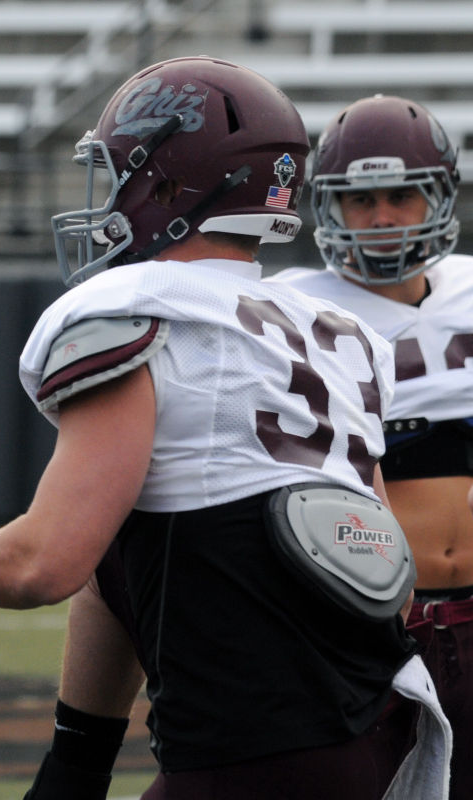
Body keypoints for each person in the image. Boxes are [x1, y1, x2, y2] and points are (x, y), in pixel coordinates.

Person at [0, 57, 450, 799]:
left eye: (117, 174)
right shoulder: (336, 332)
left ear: (169, 186)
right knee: (132, 537)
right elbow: (388, 574)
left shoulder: (135, 310)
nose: (106, 198)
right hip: (380, 733)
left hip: (251, 749)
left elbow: (44, 564)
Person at [270, 94, 472, 799]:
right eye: (361, 200)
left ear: (437, 198)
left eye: (400, 196)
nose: (382, 217)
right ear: (330, 208)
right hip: (368, 625)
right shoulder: (288, 310)